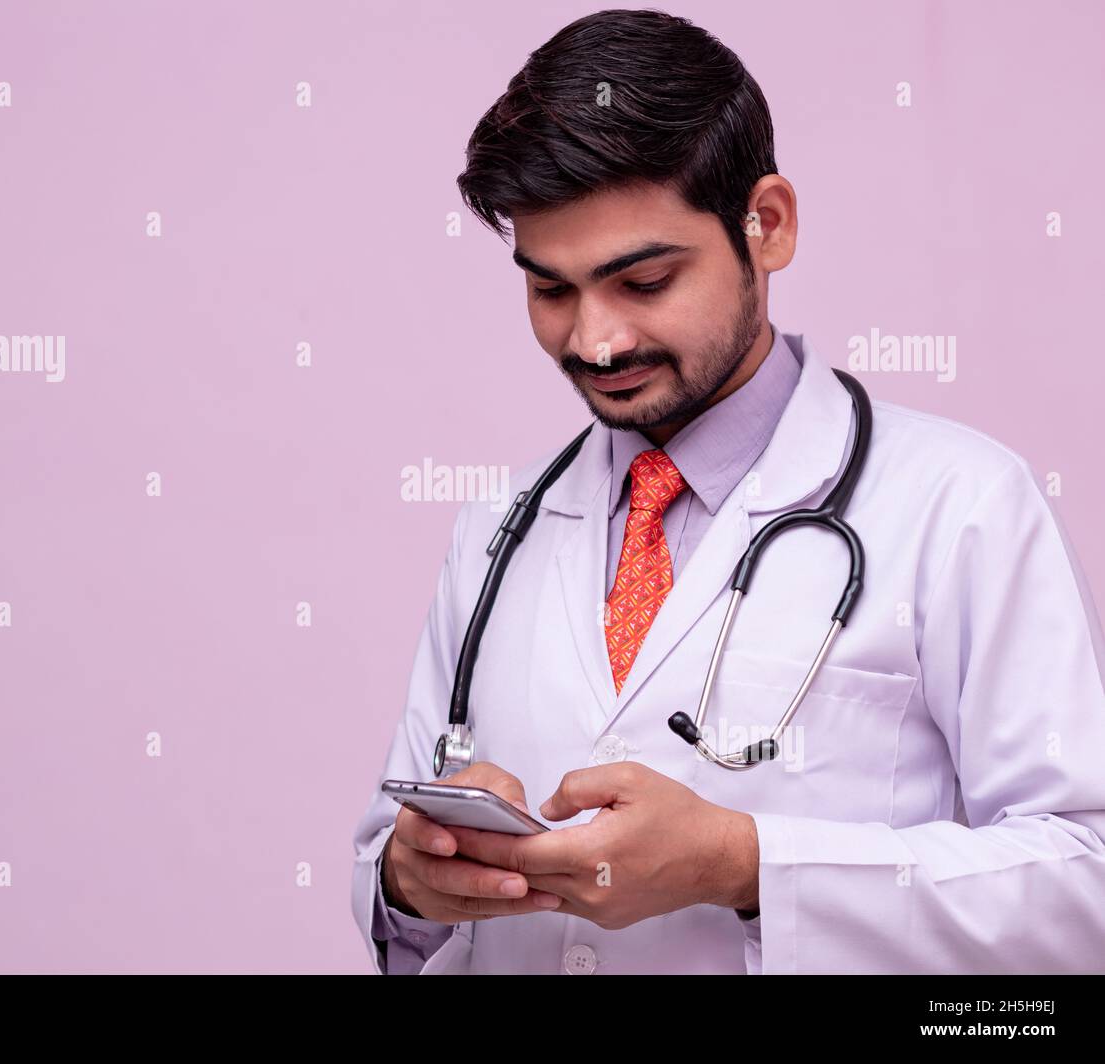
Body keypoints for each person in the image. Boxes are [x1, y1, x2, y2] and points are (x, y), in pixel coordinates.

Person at [349, 9, 1105, 974]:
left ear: (768, 225)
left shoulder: (963, 507)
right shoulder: (500, 530)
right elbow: (392, 880)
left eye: (645, 280)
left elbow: (1084, 888)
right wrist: (409, 883)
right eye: (550, 289)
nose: (596, 341)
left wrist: (748, 866)